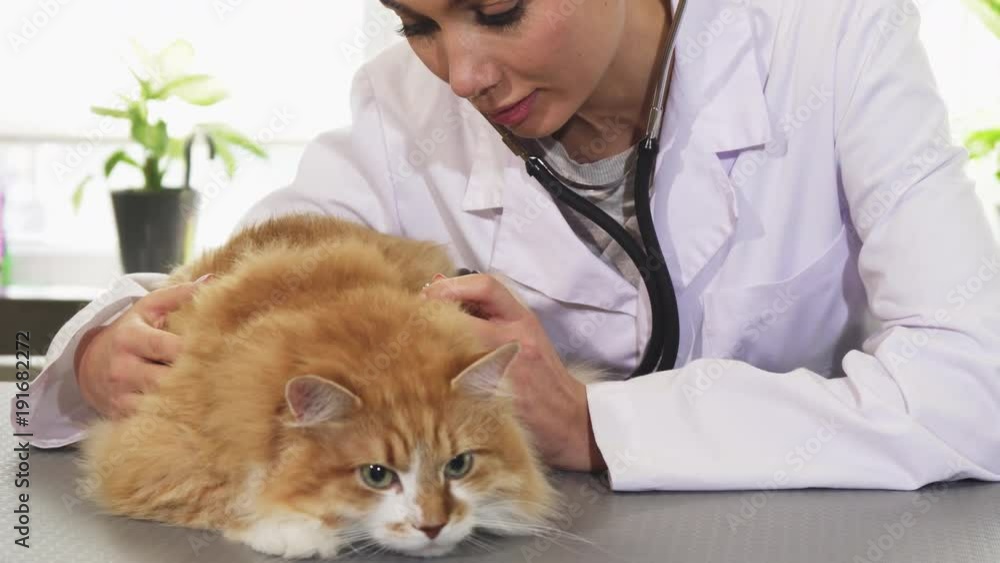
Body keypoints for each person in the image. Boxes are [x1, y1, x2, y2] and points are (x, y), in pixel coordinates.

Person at [12, 0, 1000, 491]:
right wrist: (103, 350)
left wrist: (592, 424)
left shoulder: (833, 35)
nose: (461, 73)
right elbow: (232, 283)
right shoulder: (401, 112)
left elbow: (974, 384)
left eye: (497, 10)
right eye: (418, 23)